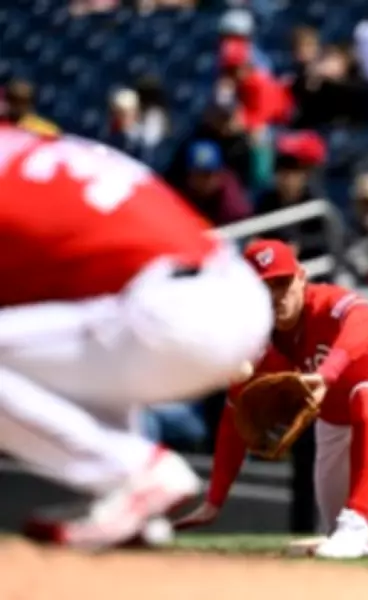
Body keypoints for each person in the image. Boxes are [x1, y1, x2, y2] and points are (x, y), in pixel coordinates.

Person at [0, 126, 273, 549]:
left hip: (171, 308)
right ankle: (131, 504)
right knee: (85, 358)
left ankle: (133, 470)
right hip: (227, 288)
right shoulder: (37, 146)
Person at [172, 239, 368, 559]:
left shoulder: (327, 301)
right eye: (264, 288)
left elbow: (364, 319)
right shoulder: (261, 347)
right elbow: (235, 416)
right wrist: (214, 501)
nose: (276, 296)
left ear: (301, 277)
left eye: (282, 282)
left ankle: (356, 525)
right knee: (336, 527)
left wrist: (329, 372)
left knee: (365, 395)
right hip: (340, 426)